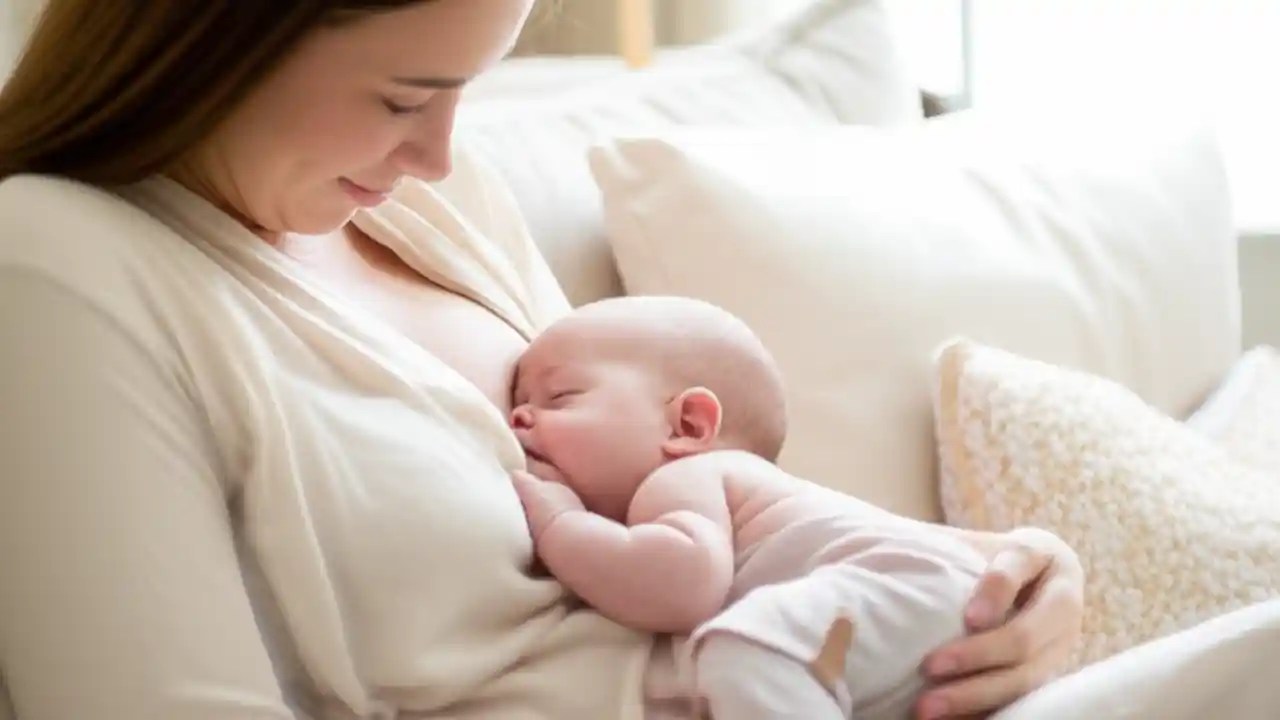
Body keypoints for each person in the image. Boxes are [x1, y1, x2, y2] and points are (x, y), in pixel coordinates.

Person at [0, 2, 1084, 719]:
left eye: (467, 90)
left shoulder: (441, 205)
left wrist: (1001, 585)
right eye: (403, 97)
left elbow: (696, 506)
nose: (437, 154)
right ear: (214, 37)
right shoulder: (55, 268)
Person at [509, 294, 994, 718]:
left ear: (688, 426)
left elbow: (682, 586)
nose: (519, 417)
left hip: (903, 582)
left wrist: (560, 522)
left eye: (560, 397)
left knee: (743, 649)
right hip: (934, 609)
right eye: (518, 402)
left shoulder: (684, 477)